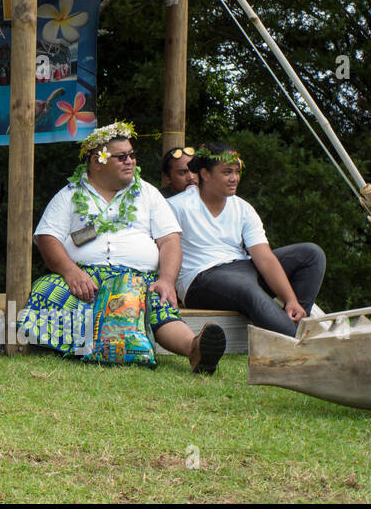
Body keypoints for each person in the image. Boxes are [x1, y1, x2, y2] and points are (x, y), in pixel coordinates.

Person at [21, 121, 226, 373]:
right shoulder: (70, 194)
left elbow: (170, 240)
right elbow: (47, 237)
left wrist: (166, 279)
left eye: (132, 155)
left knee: (157, 303)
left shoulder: (148, 193)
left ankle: (195, 349)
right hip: (87, 277)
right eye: (121, 157)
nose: (130, 161)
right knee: (48, 288)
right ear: (97, 160)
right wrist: (70, 272)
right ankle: (72, 346)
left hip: (138, 277)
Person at [169, 142, 325, 336]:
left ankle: (296, 324)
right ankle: (297, 341)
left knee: (311, 254)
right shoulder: (176, 206)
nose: (234, 178)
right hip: (201, 279)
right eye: (227, 172)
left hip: (242, 270)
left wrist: (290, 299)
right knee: (246, 288)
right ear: (205, 174)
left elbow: (265, 258)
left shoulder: (243, 208)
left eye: (237, 172)